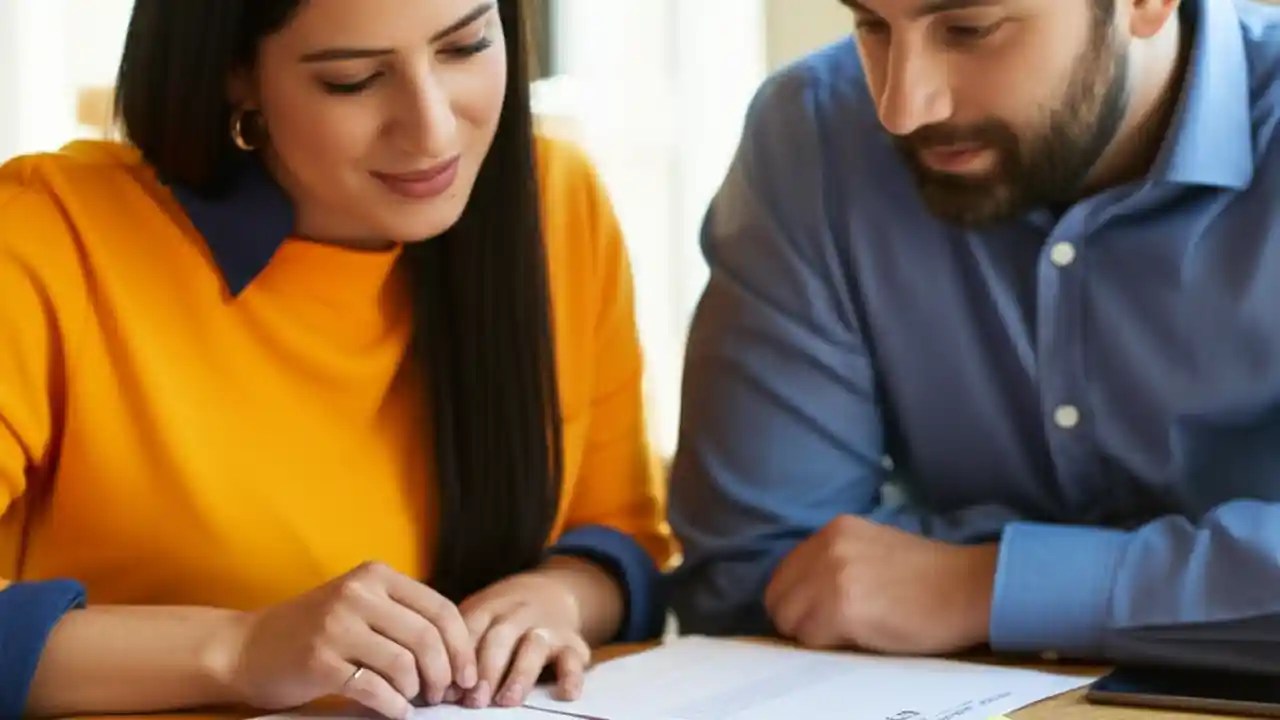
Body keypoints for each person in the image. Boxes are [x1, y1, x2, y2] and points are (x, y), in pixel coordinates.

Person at [0, 0, 673, 717]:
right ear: (237, 77)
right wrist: (240, 651)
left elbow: (622, 542)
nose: (434, 128)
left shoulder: (556, 205)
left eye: (466, 46)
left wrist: (559, 596)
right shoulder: (45, 239)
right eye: (353, 80)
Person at [669, 0, 1280, 673]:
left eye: (970, 30)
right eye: (871, 25)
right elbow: (766, 574)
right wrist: (1221, 584)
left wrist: (986, 586)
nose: (903, 108)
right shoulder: (813, 135)